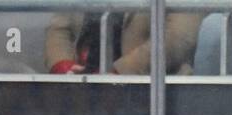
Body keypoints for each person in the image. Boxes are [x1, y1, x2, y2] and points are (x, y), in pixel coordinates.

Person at [45, 11, 201, 74]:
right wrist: (62, 66)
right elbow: (59, 28)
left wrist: (119, 72)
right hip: (79, 90)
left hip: (153, 94)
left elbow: (179, 37)